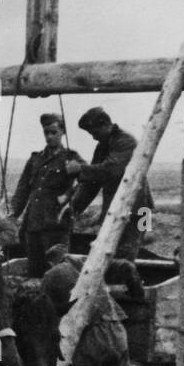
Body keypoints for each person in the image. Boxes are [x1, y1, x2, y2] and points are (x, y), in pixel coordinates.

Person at [64, 107, 153, 263]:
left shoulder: (126, 141)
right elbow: (92, 182)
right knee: (113, 253)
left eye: (95, 133)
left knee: (127, 253)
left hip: (140, 210)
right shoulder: (103, 146)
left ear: (106, 125)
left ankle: (126, 285)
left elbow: (111, 170)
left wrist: (80, 169)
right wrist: (74, 208)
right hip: (120, 210)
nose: (94, 138)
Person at [11, 113, 80, 278]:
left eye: (53, 132)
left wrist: (69, 197)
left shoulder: (70, 157)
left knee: (57, 272)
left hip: (55, 226)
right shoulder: (35, 159)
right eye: (46, 132)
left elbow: (88, 181)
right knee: (34, 271)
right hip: (33, 224)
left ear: (62, 132)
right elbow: (23, 189)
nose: (49, 137)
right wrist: (13, 213)